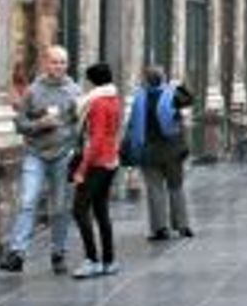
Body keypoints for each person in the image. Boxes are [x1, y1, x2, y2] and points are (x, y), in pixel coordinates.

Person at [0, 45, 82, 274]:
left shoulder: (74, 92)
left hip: (62, 154)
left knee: (59, 206)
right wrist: (38, 124)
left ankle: (58, 252)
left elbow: (81, 125)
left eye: (63, 62)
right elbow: (19, 124)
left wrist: (74, 143)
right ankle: (17, 252)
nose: (59, 67)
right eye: (55, 62)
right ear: (46, 64)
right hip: (35, 153)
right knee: (28, 201)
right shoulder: (33, 91)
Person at [124, 65, 195, 241]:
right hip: (172, 149)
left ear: (146, 80)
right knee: (176, 187)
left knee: (155, 189)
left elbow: (132, 125)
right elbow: (189, 99)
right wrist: (179, 85)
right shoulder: (171, 95)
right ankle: (182, 225)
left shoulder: (140, 97)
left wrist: (132, 148)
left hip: (148, 150)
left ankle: (160, 228)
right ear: (162, 78)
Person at [69, 63, 123, 278]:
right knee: (101, 211)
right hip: (111, 160)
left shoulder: (98, 103)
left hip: (97, 163)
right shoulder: (113, 99)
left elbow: (97, 138)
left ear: (92, 81)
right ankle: (109, 260)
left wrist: (82, 169)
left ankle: (92, 259)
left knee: (79, 209)